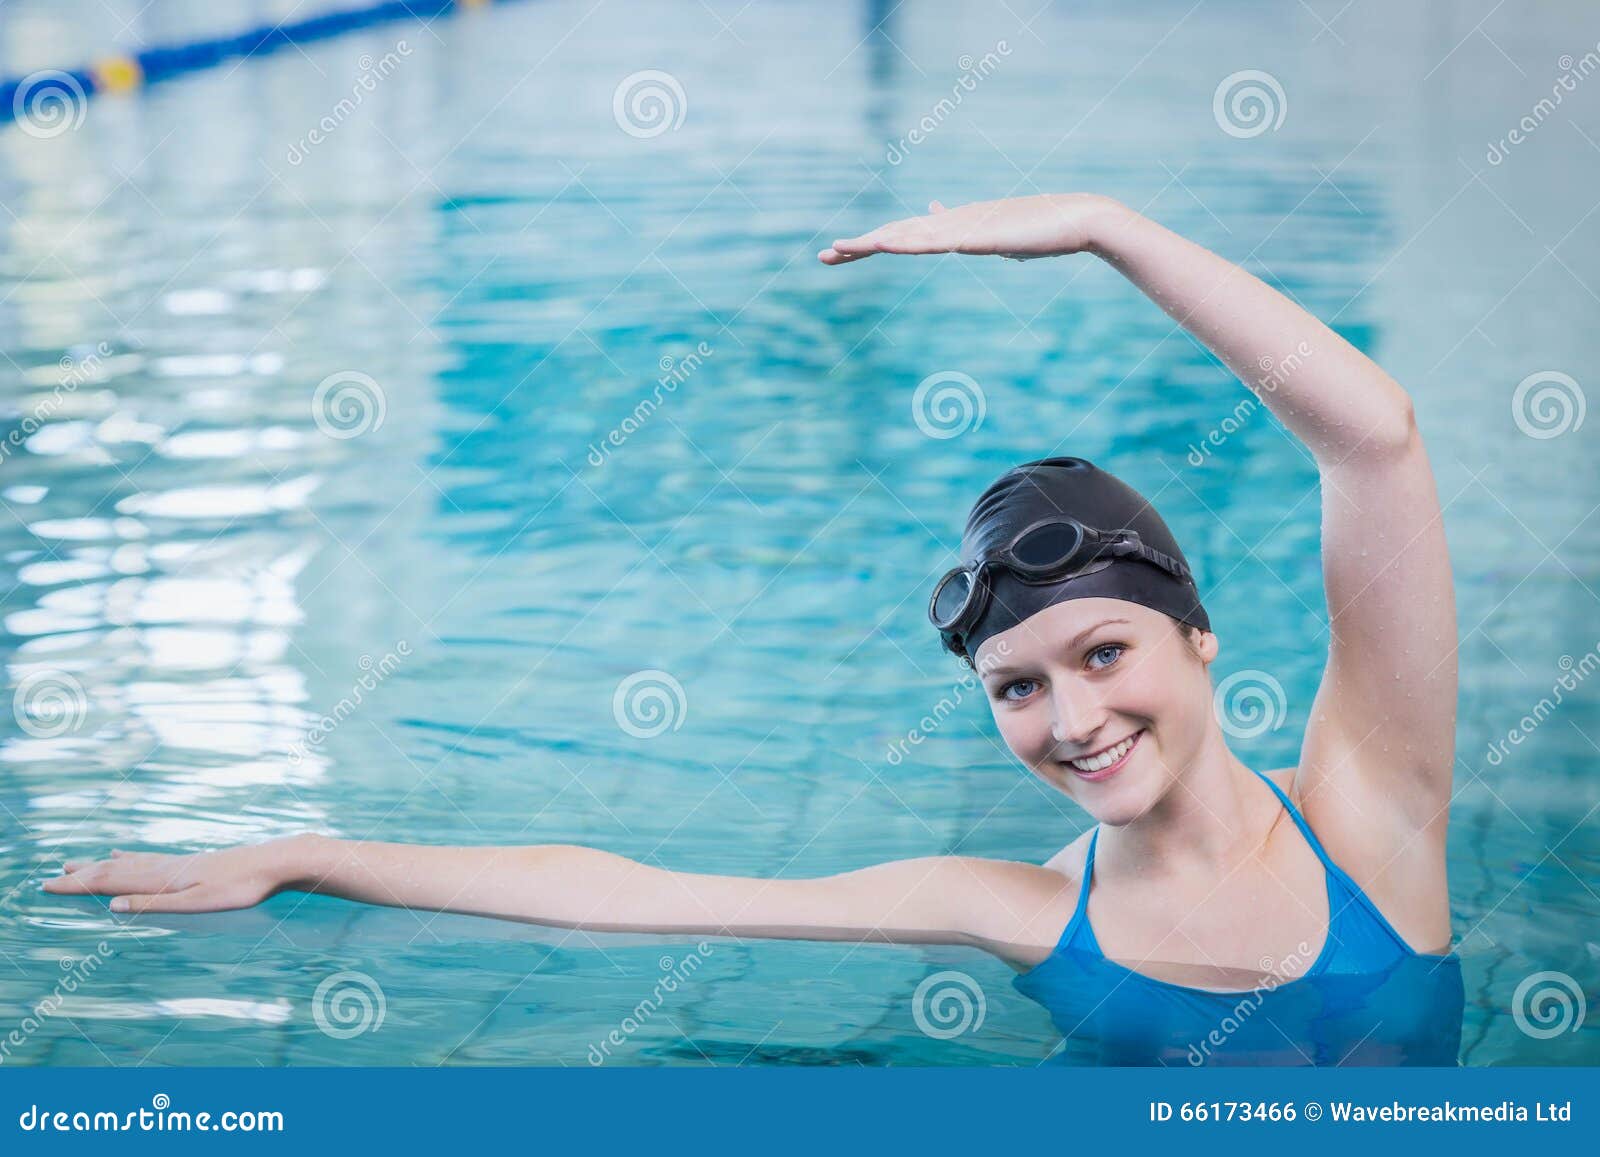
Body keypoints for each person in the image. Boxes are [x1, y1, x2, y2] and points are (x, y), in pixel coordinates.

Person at [43, 193, 1464, 1065]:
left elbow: (1377, 446)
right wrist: (301, 852)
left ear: (1198, 636)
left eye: (1105, 654)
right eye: (1016, 686)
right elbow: (622, 890)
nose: (1072, 718)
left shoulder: (1371, 817)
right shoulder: (1023, 909)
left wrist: (1104, 226)